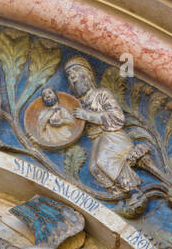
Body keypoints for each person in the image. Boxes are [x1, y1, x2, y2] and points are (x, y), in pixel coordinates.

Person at [62, 57, 144, 192]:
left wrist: (87, 115)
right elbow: (71, 127)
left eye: (76, 71)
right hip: (97, 139)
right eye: (69, 75)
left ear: (87, 75)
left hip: (113, 136)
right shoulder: (76, 104)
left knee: (103, 161)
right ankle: (118, 192)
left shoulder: (101, 94)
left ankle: (134, 190)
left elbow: (117, 116)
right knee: (94, 167)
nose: (73, 77)